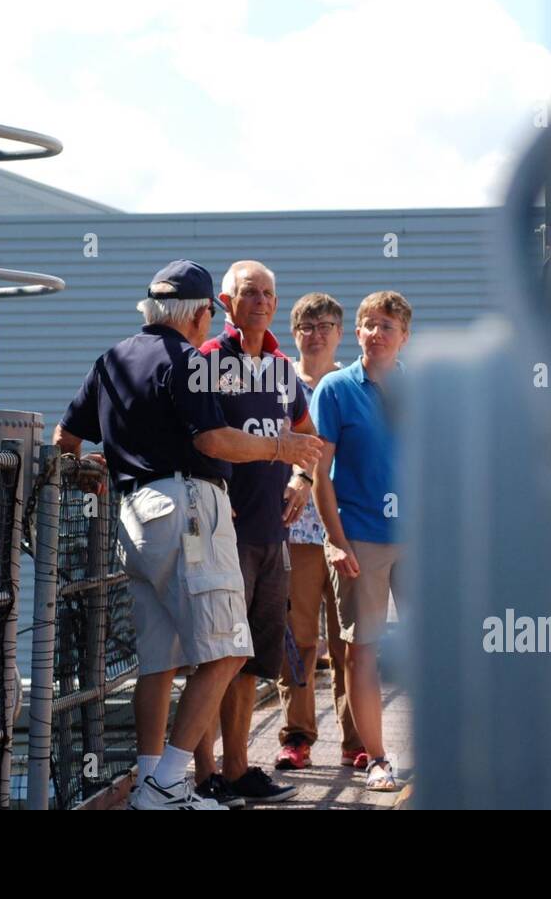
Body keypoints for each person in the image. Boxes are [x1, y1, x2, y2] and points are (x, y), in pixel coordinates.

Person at [53, 259, 322, 810]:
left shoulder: (112, 358)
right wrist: (282, 449)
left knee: (160, 659)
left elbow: (64, 439)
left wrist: (95, 473)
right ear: (203, 313)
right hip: (190, 509)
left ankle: (151, 780)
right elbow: (213, 442)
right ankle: (170, 780)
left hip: (134, 514)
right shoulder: (188, 360)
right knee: (228, 649)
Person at [189, 260, 318, 805]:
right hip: (219, 535)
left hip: (273, 534)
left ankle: (239, 771)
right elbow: (199, 441)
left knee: (246, 658)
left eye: (269, 293)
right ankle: (203, 775)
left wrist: (303, 477)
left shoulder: (284, 368)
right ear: (225, 301)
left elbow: (306, 436)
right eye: (250, 293)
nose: (261, 301)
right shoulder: (209, 363)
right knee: (212, 653)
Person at [310, 290, 412, 793]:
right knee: (362, 650)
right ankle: (376, 759)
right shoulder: (334, 389)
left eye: (387, 326)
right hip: (360, 541)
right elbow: (319, 474)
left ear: (404, 337)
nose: (376, 333)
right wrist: (335, 539)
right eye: (369, 324)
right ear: (358, 333)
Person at [274, 292, 365, 772]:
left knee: (351, 639)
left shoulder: (354, 384)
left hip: (346, 529)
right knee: (299, 639)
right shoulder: (276, 382)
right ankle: (298, 737)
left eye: (326, 324)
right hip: (294, 534)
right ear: (296, 332)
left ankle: (357, 741)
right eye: (308, 325)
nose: (317, 333)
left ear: (340, 331)